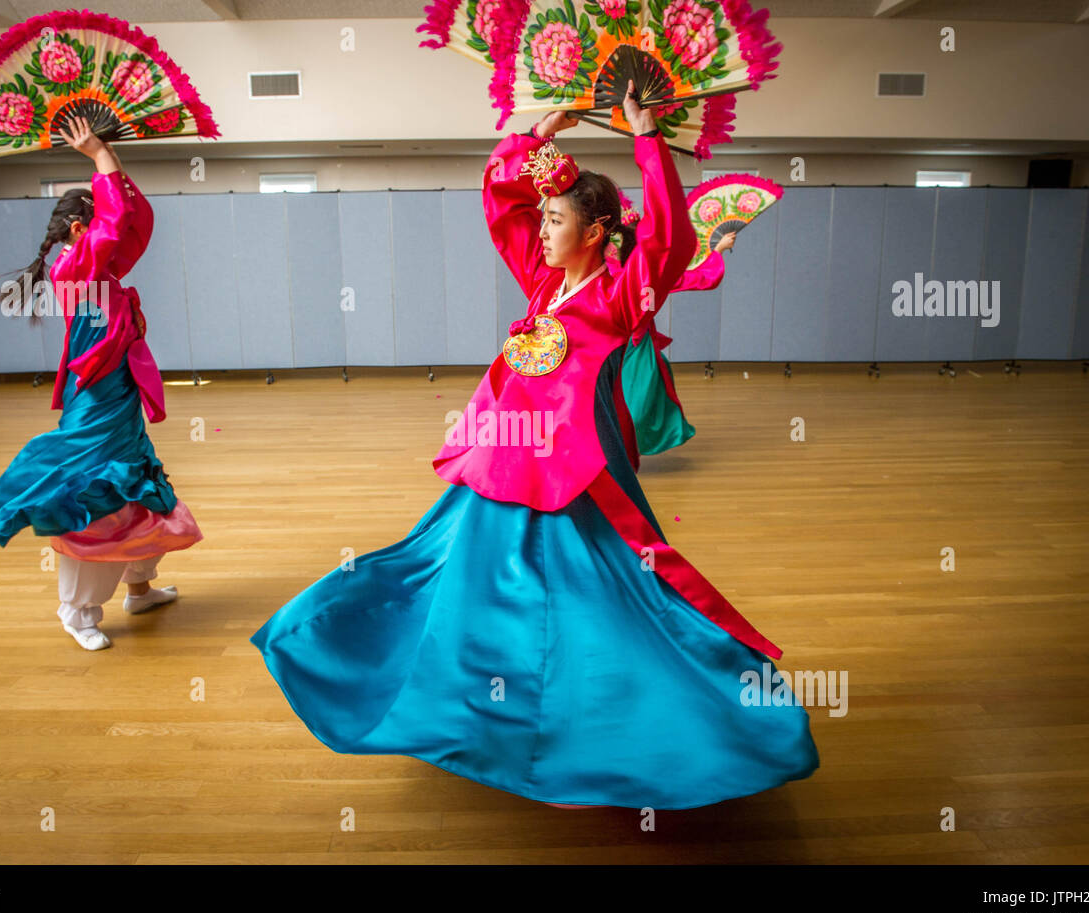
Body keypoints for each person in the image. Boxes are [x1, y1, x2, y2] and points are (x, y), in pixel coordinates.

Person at [251, 82, 818, 809]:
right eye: (545, 217)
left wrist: (647, 139)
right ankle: (460, 702)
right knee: (460, 584)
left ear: (595, 231)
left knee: (591, 603)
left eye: (557, 220)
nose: (543, 229)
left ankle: (655, 725)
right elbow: (500, 199)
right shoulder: (541, 281)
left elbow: (672, 240)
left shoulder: (617, 297)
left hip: (571, 476)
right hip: (499, 462)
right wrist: (538, 132)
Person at [0, 116, 202, 651]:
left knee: (137, 484)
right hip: (98, 402)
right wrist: (99, 153)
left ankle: (139, 587)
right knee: (96, 494)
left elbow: (135, 220)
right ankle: (76, 612)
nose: (114, 232)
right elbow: (121, 218)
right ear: (81, 230)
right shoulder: (74, 269)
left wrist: (110, 168)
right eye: (100, 223)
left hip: (118, 399)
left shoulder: (96, 271)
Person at [609, 194, 737, 463]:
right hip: (617, 343)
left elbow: (697, 278)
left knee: (641, 398)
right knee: (628, 400)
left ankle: (619, 449)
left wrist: (718, 250)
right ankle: (611, 449)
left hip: (631, 344)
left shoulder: (638, 273)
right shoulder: (616, 272)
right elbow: (700, 278)